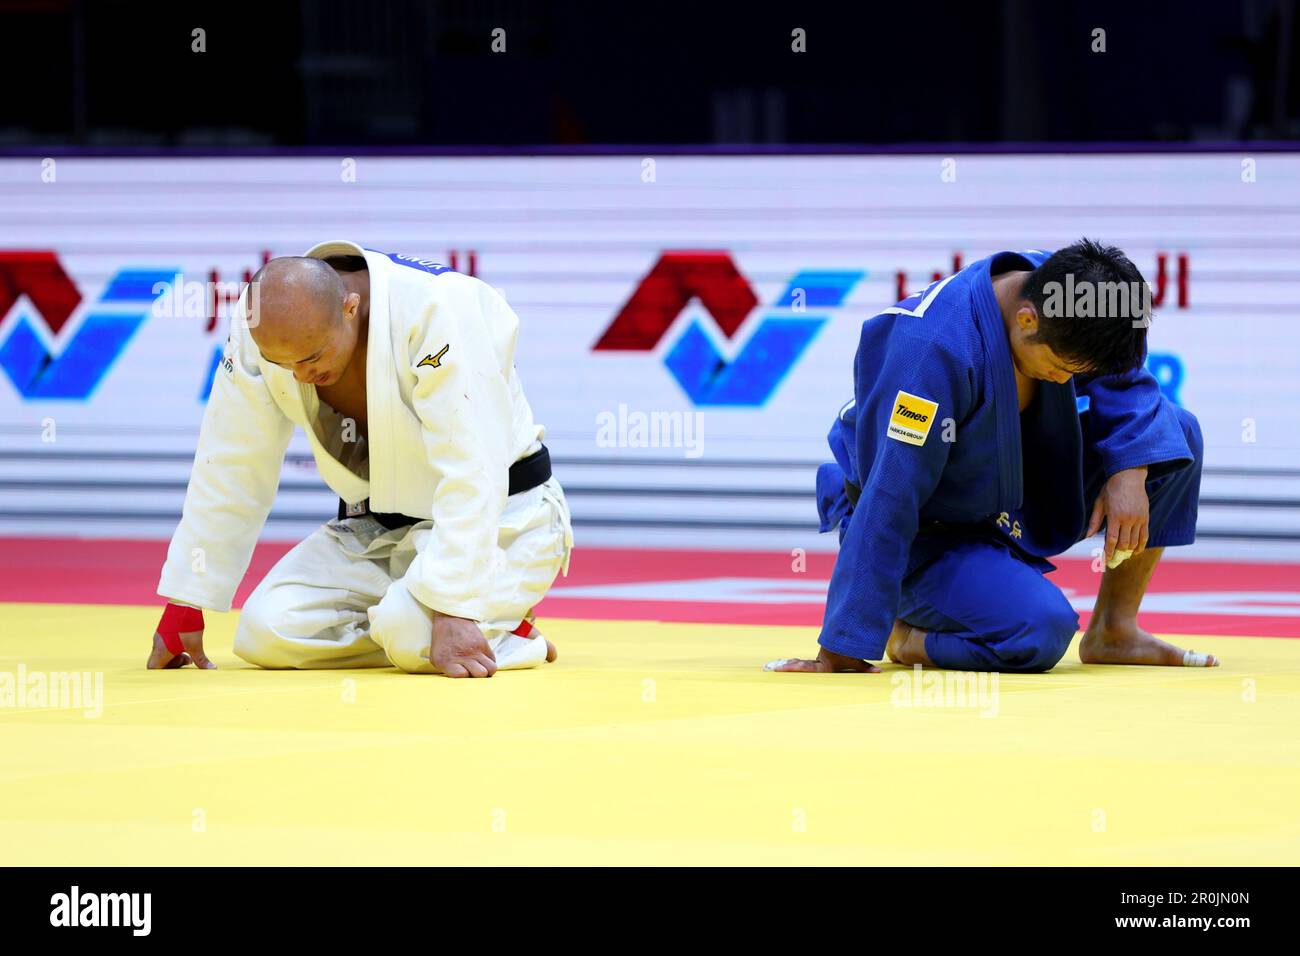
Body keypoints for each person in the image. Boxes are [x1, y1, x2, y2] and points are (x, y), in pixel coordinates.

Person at [768, 239, 1214, 674]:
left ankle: (1114, 630)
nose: (1066, 382)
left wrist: (1130, 470)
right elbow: (891, 493)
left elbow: (1125, 381)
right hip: (929, 531)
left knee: (1174, 434)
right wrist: (845, 645)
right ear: (1026, 320)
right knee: (1040, 631)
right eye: (1064, 368)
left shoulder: (1063, 291)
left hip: (1008, 489)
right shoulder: (930, 350)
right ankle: (908, 639)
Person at [147, 241, 572, 678]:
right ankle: (424, 618)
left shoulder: (436, 308)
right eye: (283, 363)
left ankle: (499, 629)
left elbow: (473, 466)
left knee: (411, 636)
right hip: (376, 533)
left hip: (502, 521)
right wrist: (187, 598)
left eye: (312, 358)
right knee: (266, 631)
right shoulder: (263, 328)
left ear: (351, 308)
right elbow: (232, 460)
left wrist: (455, 605)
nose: (299, 376)